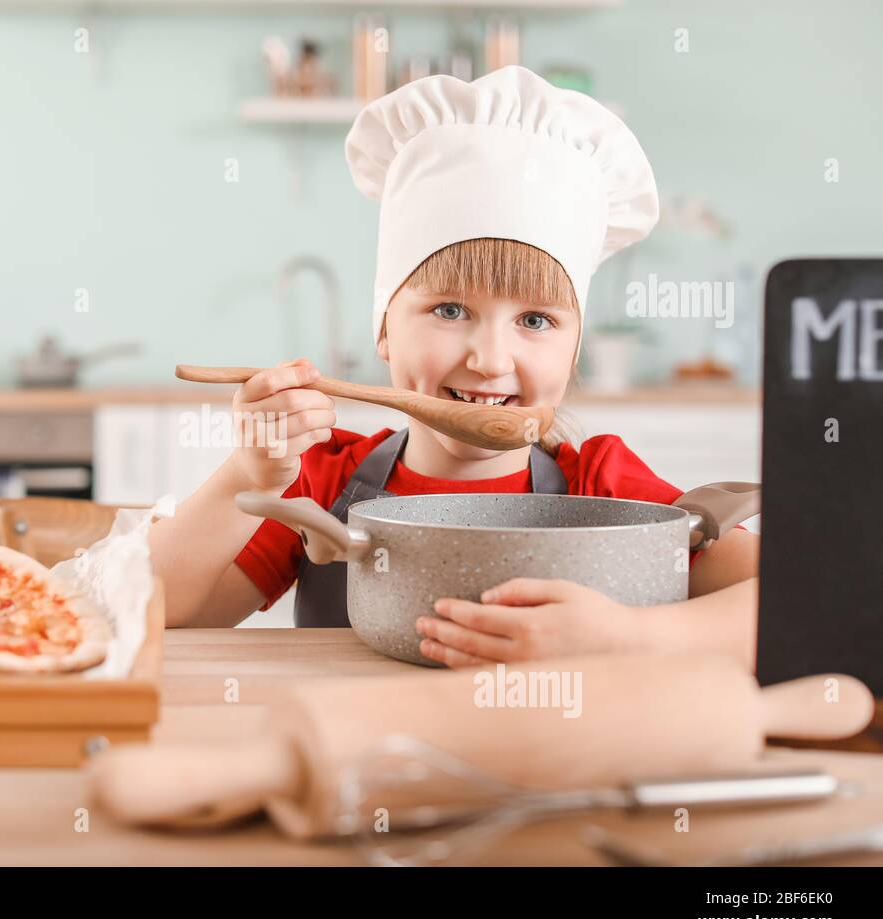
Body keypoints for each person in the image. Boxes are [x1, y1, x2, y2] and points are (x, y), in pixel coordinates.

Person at [149, 67, 759, 669]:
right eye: (449, 309)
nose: (489, 359)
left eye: (536, 321)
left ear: (574, 350)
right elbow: (162, 617)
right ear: (385, 328)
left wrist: (628, 635)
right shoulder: (319, 483)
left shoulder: (603, 491)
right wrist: (247, 474)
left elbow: (804, 601)